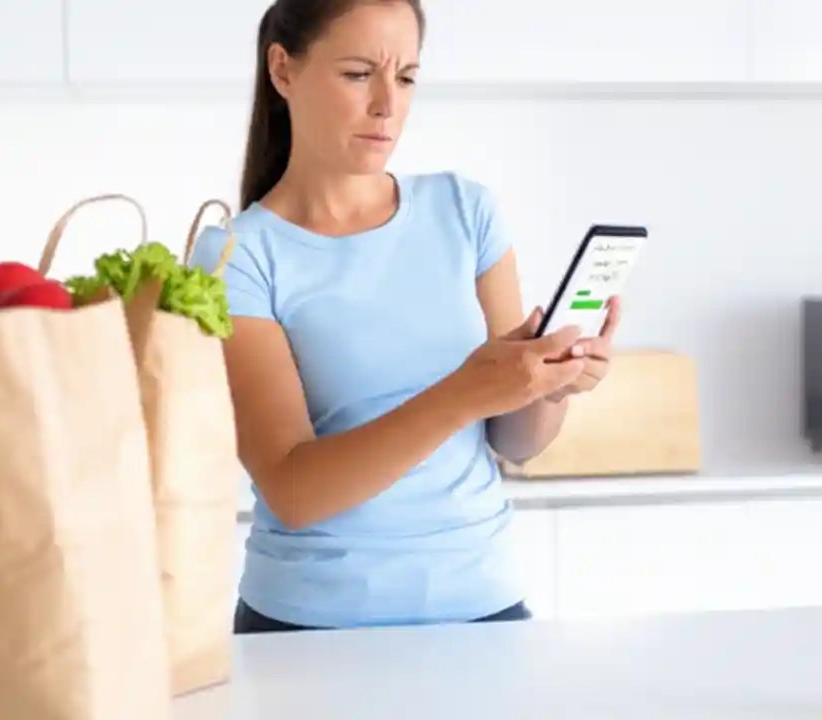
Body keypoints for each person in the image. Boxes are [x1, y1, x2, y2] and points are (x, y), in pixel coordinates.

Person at [188, 0, 623, 632]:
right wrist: (463, 393)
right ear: (283, 70)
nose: (388, 105)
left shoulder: (465, 211)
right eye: (359, 73)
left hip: (485, 610)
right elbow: (293, 489)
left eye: (408, 77)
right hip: (312, 631)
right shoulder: (236, 255)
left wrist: (552, 384)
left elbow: (516, 442)